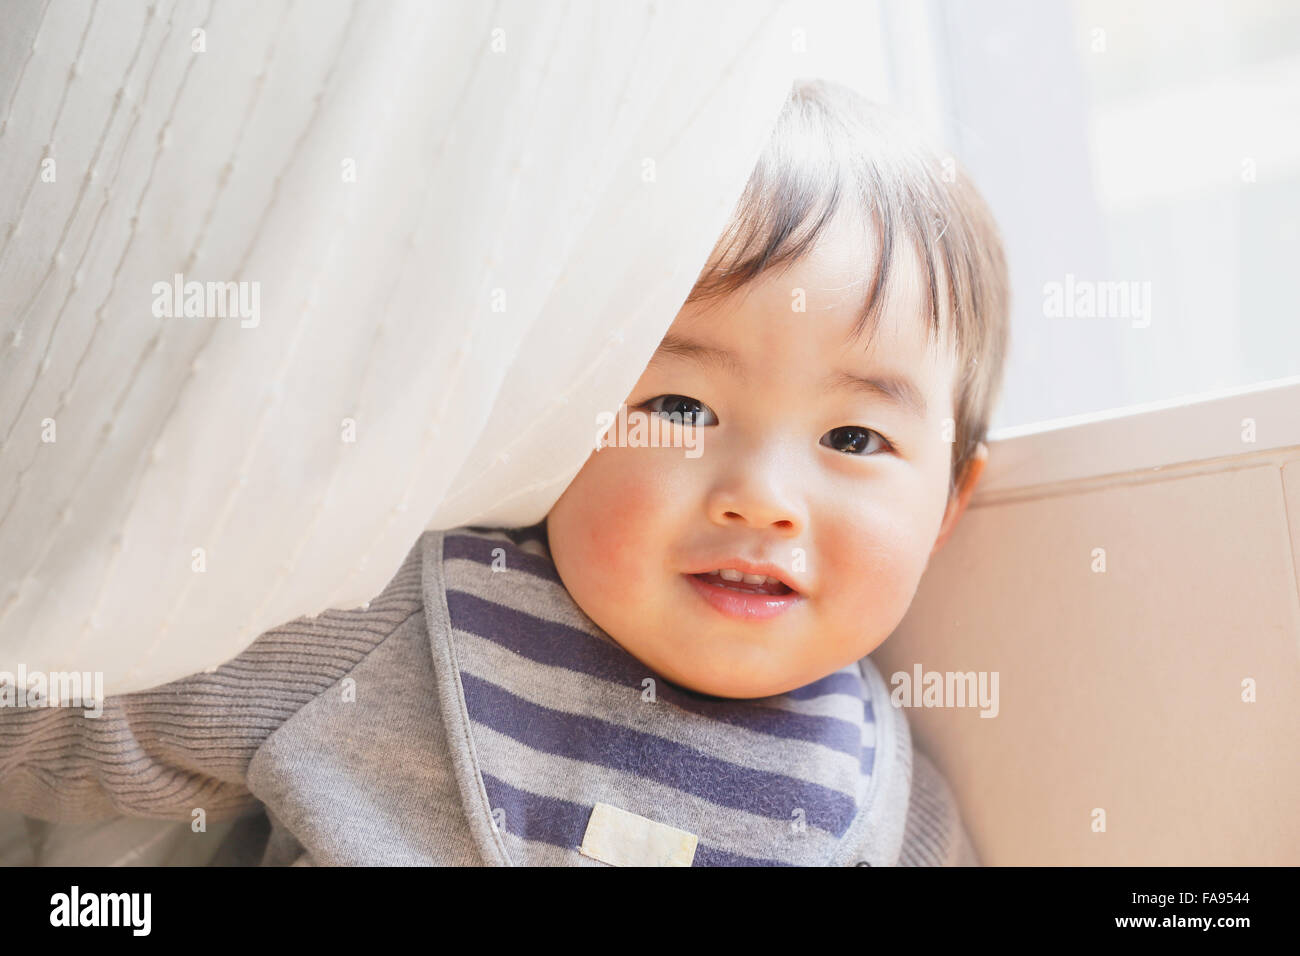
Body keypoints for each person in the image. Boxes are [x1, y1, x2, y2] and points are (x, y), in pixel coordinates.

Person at [0, 78, 1008, 866]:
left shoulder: (882, 804)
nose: (761, 496)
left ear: (947, 504)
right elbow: (81, 713)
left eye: (853, 439)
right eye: (678, 408)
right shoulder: (388, 638)